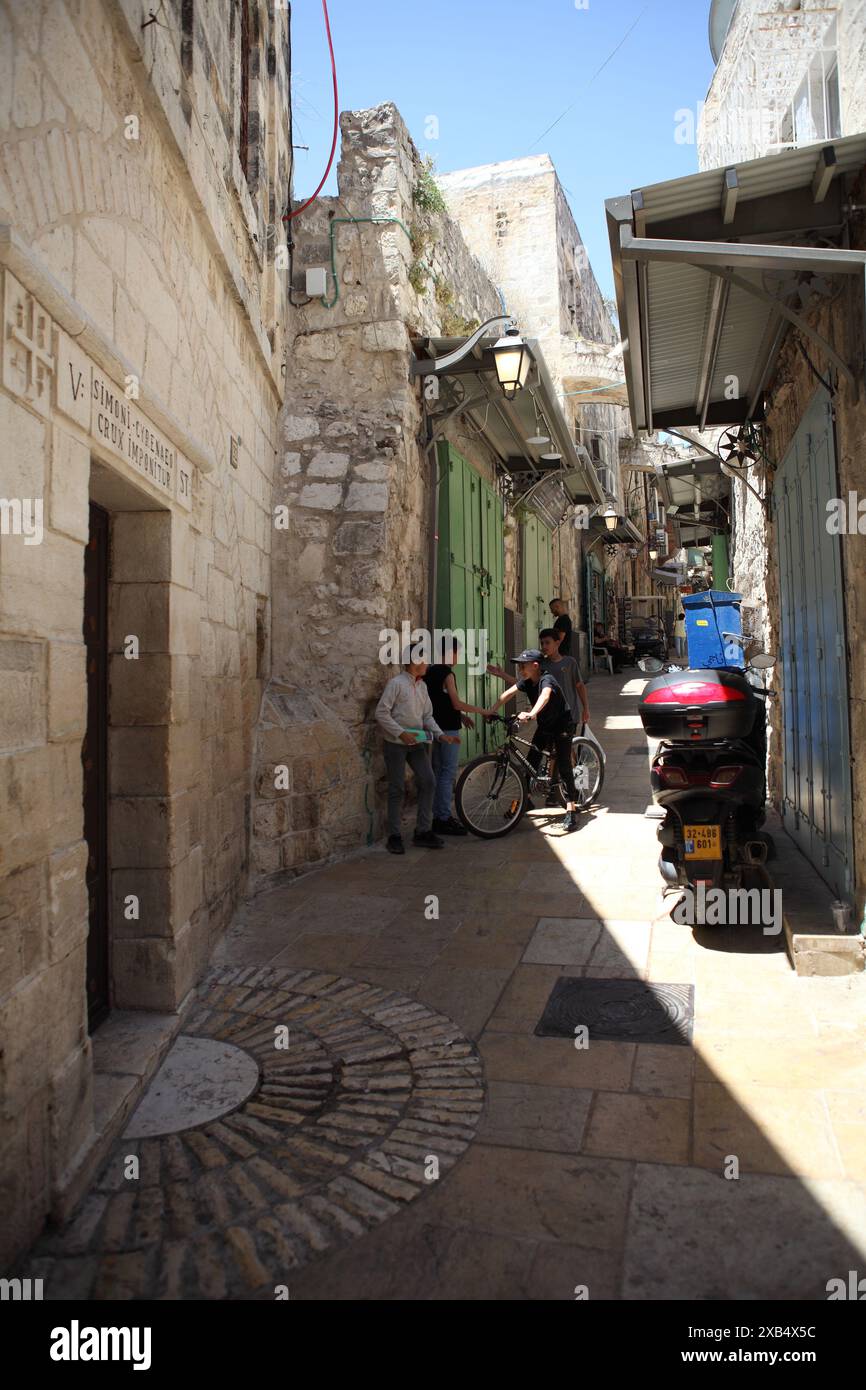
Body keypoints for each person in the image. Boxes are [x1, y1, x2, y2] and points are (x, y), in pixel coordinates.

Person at [375, 648, 461, 855]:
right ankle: (394, 836)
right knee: (397, 788)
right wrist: (400, 733)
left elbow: (427, 716)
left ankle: (423, 831)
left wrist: (441, 735)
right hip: (395, 744)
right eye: (424, 660)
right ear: (413, 661)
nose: (427, 664)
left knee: (428, 781)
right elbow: (381, 713)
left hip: (417, 744)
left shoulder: (422, 687)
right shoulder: (396, 684)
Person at [484, 649, 580, 832]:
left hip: (562, 725)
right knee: (530, 763)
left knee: (564, 764)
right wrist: (492, 710)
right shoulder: (527, 681)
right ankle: (524, 801)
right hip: (545, 726)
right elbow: (508, 694)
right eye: (519, 665)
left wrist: (532, 713)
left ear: (535, 666)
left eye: (523, 665)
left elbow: (545, 696)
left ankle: (571, 810)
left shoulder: (547, 679)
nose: (520, 669)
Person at [423, 638, 488, 836]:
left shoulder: (429, 672)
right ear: (450, 652)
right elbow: (455, 703)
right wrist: (481, 711)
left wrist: (462, 717)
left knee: (437, 771)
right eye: (457, 653)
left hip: (434, 729)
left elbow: (438, 702)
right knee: (447, 773)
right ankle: (442, 818)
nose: (457, 657)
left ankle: (435, 816)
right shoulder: (447, 674)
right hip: (448, 731)